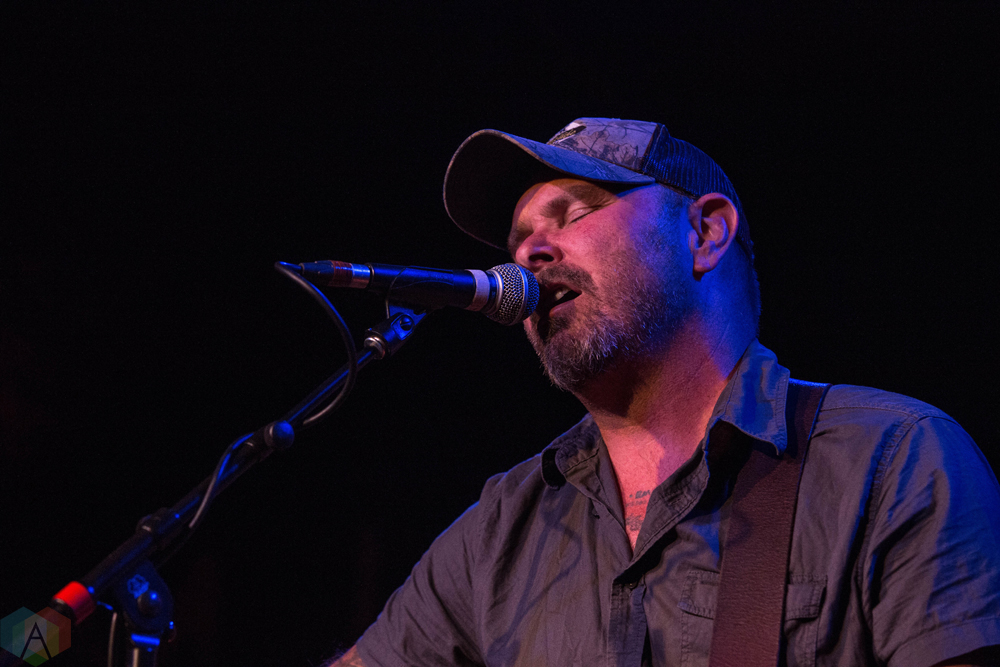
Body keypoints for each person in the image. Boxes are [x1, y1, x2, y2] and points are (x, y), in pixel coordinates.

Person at [328, 118, 1000, 667]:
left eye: (572, 212)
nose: (529, 253)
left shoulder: (890, 460)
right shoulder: (503, 525)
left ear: (705, 232)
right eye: (520, 239)